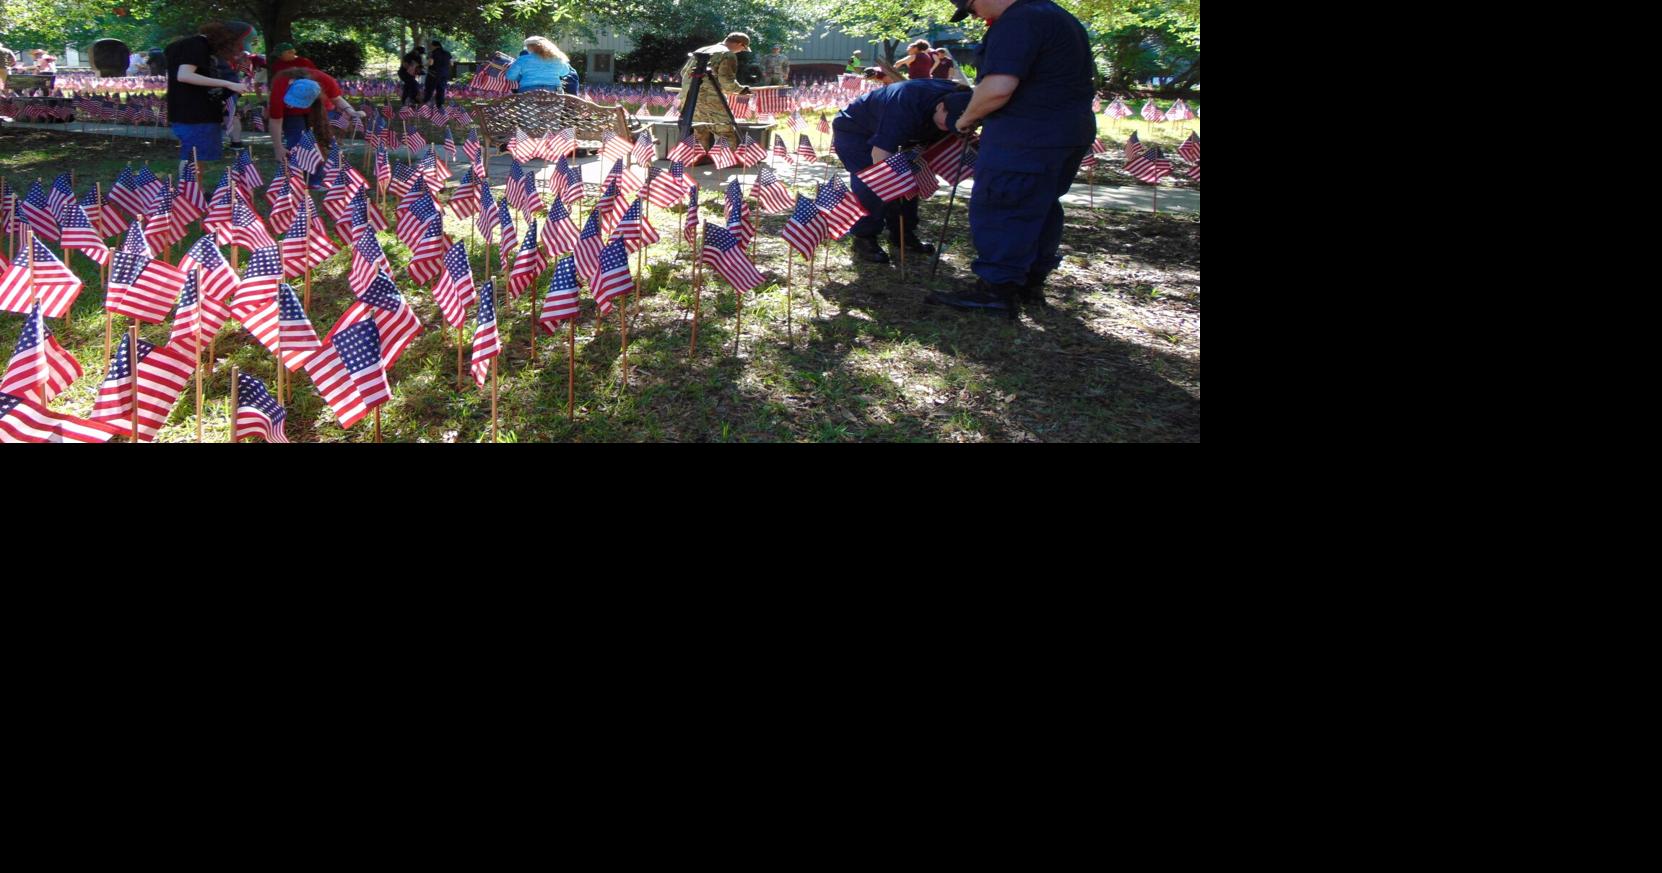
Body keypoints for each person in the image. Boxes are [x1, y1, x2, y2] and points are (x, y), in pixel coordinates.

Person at [925, 0, 1095, 317]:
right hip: (1066, 130)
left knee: (1003, 204)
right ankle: (1029, 282)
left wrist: (965, 120)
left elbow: (998, 87)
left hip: (1026, 135)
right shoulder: (1055, 15)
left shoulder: (1018, 21)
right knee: (1040, 206)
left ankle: (997, 289)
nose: (973, 15)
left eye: (969, 7)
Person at [833, 77, 970, 264]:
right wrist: (891, 193)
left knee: (910, 177)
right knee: (870, 181)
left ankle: (902, 233)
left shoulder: (966, 98)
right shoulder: (905, 105)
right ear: (940, 106)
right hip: (857, 130)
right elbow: (879, 159)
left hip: (910, 133)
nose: (951, 129)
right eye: (950, 123)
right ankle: (865, 237)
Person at [165, 21, 253, 166]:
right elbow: (184, 75)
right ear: (227, 39)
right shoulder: (197, 45)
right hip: (194, 114)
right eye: (237, 44)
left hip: (195, 112)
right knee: (194, 159)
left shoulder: (191, 45)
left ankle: (195, 189)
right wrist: (228, 83)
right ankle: (190, 189)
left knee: (196, 158)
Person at [269, 67, 363, 186]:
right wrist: (278, 147)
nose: (298, 106)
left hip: (319, 111)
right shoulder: (280, 86)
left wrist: (351, 111)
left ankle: (315, 181)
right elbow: (276, 120)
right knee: (296, 141)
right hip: (291, 116)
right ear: (290, 83)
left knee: (321, 142)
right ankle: (294, 180)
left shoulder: (326, 81)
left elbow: (336, 99)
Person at [678, 32, 750, 150]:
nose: (741, 51)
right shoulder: (727, 54)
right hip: (711, 99)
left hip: (690, 98)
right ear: (739, 43)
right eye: (743, 48)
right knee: (724, 130)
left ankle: (698, 159)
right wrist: (742, 90)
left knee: (699, 131)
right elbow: (727, 82)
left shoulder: (702, 50)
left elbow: (683, 73)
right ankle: (727, 160)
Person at [505, 37, 574, 95]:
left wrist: (521, 77)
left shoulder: (523, 59)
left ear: (530, 47)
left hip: (528, 92)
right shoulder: (557, 59)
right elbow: (565, 72)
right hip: (554, 92)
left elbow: (510, 76)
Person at [424, 40, 453, 107]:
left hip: (433, 74)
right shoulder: (447, 53)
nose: (430, 47)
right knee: (441, 90)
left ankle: (425, 104)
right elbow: (451, 63)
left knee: (429, 89)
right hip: (444, 74)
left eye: (431, 46)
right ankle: (440, 106)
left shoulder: (433, 53)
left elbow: (430, 63)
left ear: (434, 46)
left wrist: (423, 65)